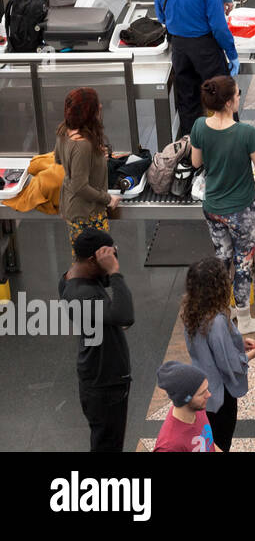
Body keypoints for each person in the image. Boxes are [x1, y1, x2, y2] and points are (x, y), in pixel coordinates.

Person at [191, 75, 255, 334]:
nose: (239, 97)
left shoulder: (200, 126)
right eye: (237, 94)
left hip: (213, 206)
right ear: (227, 102)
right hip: (240, 211)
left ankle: (221, 313)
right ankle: (245, 318)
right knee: (243, 261)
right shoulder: (246, 132)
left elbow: (195, 163)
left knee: (222, 259)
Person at [59, 228, 134, 452]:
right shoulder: (81, 293)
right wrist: (115, 271)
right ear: (93, 260)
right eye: (107, 257)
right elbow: (125, 315)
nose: (113, 260)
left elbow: (115, 310)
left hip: (97, 376)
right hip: (106, 383)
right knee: (108, 446)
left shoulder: (70, 277)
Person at [157, 0, 240, 134]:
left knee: (187, 101)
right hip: (206, 49)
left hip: (179, 48)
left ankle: (192, 152)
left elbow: (161, 17)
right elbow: (219, 26)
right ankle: (229, 141)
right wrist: (231, 53)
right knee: (221, 97)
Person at [182, 257, 255, 452]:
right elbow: (229, 364)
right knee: (221, 444)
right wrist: (249, 356)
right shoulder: (216, 321)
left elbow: (207, 345)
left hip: (200, 388)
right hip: (220, 397)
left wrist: (239, 343)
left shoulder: (191, 312)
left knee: (208, 443)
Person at [54, 88, 117, 250]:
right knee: (97, 263)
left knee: (84, 260)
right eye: (97, 105)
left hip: (72, 209)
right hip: (87, 214)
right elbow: (80, 186)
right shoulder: (83, 146)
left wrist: (96, 159)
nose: (101, 106)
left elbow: (59, 158)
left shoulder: (64, 131)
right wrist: (108, 199)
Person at [153, 362, 218, 452]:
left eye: (207, 389)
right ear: (185, 400)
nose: (209, 394)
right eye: (202, 393)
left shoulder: (198, 408)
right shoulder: (169, 446)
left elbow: (208, 443)